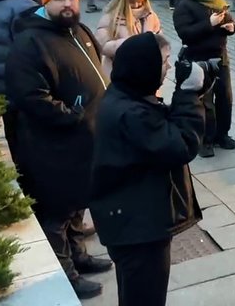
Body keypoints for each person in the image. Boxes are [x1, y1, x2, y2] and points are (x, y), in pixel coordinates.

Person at [5, 0, 112, 298]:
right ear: (45, 1)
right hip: (52, 147)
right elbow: (32, 97)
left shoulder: (77, 30)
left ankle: (79, 256)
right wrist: (74, 115)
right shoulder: (30, 42)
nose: (67, 4)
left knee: (78, 203)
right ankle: (66, 275)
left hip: (84, 140)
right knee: (57, 211)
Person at [89, 32, 208, 306]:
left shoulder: (125, 96)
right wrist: (188, 95)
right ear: (145, 66)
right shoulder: (132, 113)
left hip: (129, 220)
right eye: (164, 61)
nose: (168, 68)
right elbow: (181, 146)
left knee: (135, 294)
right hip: (138, 228)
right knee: (144, 297)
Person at [172, 0, 235, 158]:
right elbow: (185, 33)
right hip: (199, 59)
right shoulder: (185, 5)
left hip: (220, 56)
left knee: (225, 98)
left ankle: (222, 134)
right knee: (205, 102)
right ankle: (205, 140)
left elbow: (231, 22)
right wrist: (209, 24)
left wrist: (230, 27)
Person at [94, 0, 162, 81]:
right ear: (124, 1)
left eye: (139, 1)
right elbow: (101, 45)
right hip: (120, 72)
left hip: (146, 73)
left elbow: (160, 39)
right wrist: (126, 44)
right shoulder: (110, 18)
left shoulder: (151, 16)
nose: (136, 5)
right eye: (132, 2)